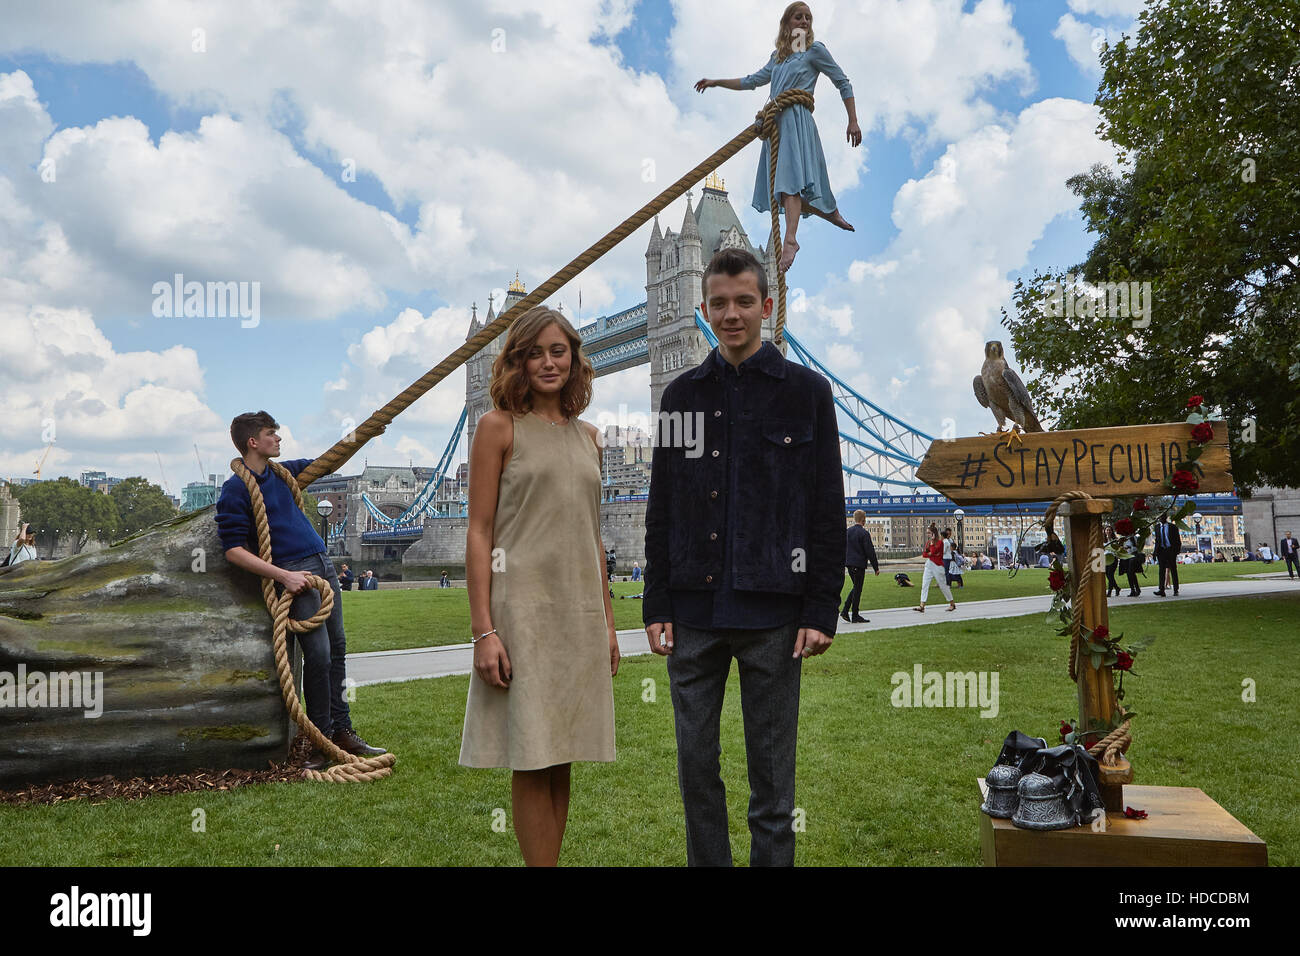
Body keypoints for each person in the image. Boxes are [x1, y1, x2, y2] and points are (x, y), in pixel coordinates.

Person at [643, 246, 844, 867]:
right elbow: (664, 504)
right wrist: (655, 602)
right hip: (694, 617)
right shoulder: (678, 397)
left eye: (744, 302)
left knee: (773, 790)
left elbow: (826, 510)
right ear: (703, 309)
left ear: (767, 306)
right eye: (720, 304)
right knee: (696, 777)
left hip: (775, 620)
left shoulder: (809, 393)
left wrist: (820, 609)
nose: (732, 315)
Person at [459, 306, 619, 868]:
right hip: (520, 610)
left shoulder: (591, 438)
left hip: (578, 614)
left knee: (563, 750)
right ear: (517, 361)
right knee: (531, 753)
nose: (548, 362)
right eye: (534, 352)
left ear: (575, 358)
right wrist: (484, 630)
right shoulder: (497, 427)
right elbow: (479, 531)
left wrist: (609, 625)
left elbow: (593, 539)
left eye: (559, 350)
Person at [215, 411, 387, 772]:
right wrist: (284, 577)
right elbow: (233, 550)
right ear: (253, 442)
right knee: (319, 656)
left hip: (322, 566)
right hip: (294, 573)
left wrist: (366, 435)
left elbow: (329, 462)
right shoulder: (235, 489)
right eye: (270, 434)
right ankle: (320, 739)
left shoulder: (283, 472)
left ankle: (342, 730)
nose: (278, 439)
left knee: (337, 650)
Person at [694, 2, 860, 274]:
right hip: (778, 125)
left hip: (796, 120)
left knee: (790, 183)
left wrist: (852, 120)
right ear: (787, 24)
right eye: (799, 17)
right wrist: (716, 82)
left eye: (808, 17)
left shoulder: (814, 51)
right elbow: (751, 81)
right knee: (786, 188)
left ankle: (791, 239)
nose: (804, 22)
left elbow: (843, 81)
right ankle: (829, 212)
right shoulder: (778, 58)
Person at [841, 509, 879, 623]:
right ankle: (855, 614)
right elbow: (870, 551)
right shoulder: (864, 533)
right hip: (859, 564)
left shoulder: (847, 532)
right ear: (863, 520)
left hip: (849, 564)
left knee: (856, 587)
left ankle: (845, 610)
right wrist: (875, 567)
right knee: (858, 589)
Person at [914, 524, 956, 613]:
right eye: (927, 533)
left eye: (929, 533)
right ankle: (922, 606)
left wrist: (931, 550)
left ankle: (952, 604)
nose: (927, 535)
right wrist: (931, 552)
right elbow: (924, 554)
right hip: (929, 565)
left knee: (943, 586)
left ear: (934, 533)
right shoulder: (929, 542)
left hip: (938, 566)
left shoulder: (940, 543)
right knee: (924, 585)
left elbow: (934, 551)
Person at [1153, 512, 1182, 597]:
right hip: (1161, 551)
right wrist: (1155, 553)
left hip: (1170, 550)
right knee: (1161, 570)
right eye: (1160, 517)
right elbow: (1157, 541)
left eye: (1163, 517)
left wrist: (1176, 551)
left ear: (1165, 517)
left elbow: (1177, 540)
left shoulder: (1172, 527)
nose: (1161, 518)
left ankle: (1176, 589)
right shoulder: (1157, 527)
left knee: (1173, 570)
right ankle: (1161, 589)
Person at [1104, 524, 1121, 597]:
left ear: (1112, 531)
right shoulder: (1102, 539)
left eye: (1109, 530)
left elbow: (1117, 549)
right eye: (1107, 530)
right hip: (1105, 559)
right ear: (1104, 531)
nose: (1108, 531)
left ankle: (1109, 591)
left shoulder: (1115, 540)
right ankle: (1117, 588)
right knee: (1108, 575)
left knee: (1110, 574)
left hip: (1113, 559)